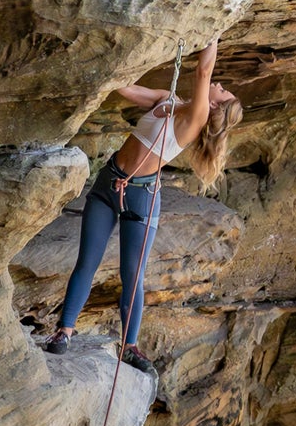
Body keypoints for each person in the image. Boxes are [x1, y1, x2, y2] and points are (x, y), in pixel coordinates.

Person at [42, 39, 242, 371]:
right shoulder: (172, 100)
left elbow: (204, 68)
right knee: (86, 262)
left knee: (132, 275)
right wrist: (103, 71)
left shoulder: (197, 116)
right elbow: (132, 92)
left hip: (142, 195)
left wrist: (214, 35)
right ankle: (64, 332)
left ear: (217, 107)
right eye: (220, 85)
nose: (219, 85)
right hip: (109, 182)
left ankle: (130, 346)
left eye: (224, 91)